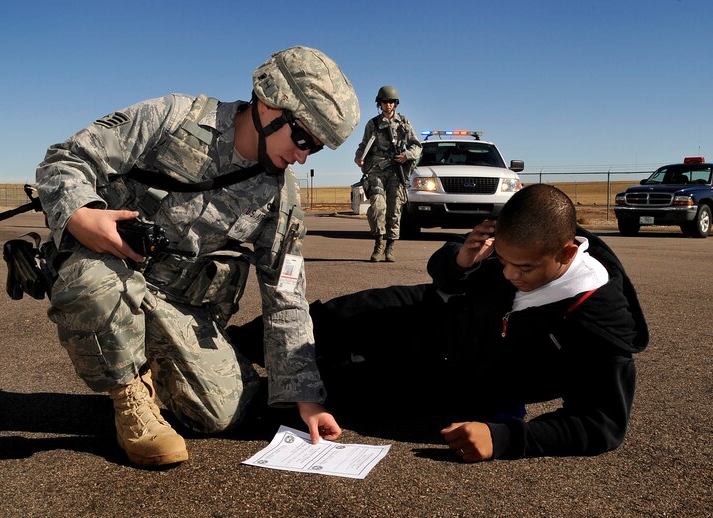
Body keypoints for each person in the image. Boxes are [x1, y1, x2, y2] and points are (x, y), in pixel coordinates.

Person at [34, 46, 360, 467]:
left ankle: (147, 357)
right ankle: (129, 399)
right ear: (269, 104)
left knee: (221, 413)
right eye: (301, 138)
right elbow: (67, 158)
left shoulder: (281, 197)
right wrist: (81, 215)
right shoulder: (174, 118)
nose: (301, 155)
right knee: (92, 285)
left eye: (313, 150)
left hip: (177, 304)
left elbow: (287, 295)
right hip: (110, 266)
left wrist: (305, 397)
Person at [229, 184, 649, 461]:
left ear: (567, 254)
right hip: (425, 314)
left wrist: (505, 439)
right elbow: (447, 276)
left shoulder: (600, 322)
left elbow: (602, 424)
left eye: (523, 268)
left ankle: (211, 396)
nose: (508, 275)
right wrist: (461, 260)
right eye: (502, 260)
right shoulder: (512, 251)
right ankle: (211, 350)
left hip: (453, 377)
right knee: (323, 320)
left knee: (335, 393)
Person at [354, 85, 422, 262]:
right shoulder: (373, 124)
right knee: (377, 207)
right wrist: (359, 157)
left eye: (391, 102)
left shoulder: (404, 123)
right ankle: (379, 244)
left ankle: (390, 246)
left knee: (394, 210)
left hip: (395, 172)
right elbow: (363, 145)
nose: (388, 105)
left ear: (396, 104)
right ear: (380, 103)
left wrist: (405, 155)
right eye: (385, 102)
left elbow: (417, 146)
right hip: (376, 171)